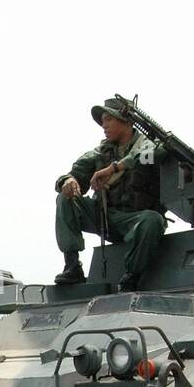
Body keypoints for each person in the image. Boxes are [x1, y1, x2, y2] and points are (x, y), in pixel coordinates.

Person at [54, 97, 169, 290]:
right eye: (102, 121)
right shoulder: (100, 153)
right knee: (65, 198)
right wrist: (69, 181)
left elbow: (156, 152)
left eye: (109, 120)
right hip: (104, 218)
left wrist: (115, 168)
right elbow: (71, 175)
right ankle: (72, 266)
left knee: (153, 220)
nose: (103, 126)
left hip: (135, 221)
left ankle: (132, 276)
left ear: (126, 122)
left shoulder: (149, 145)